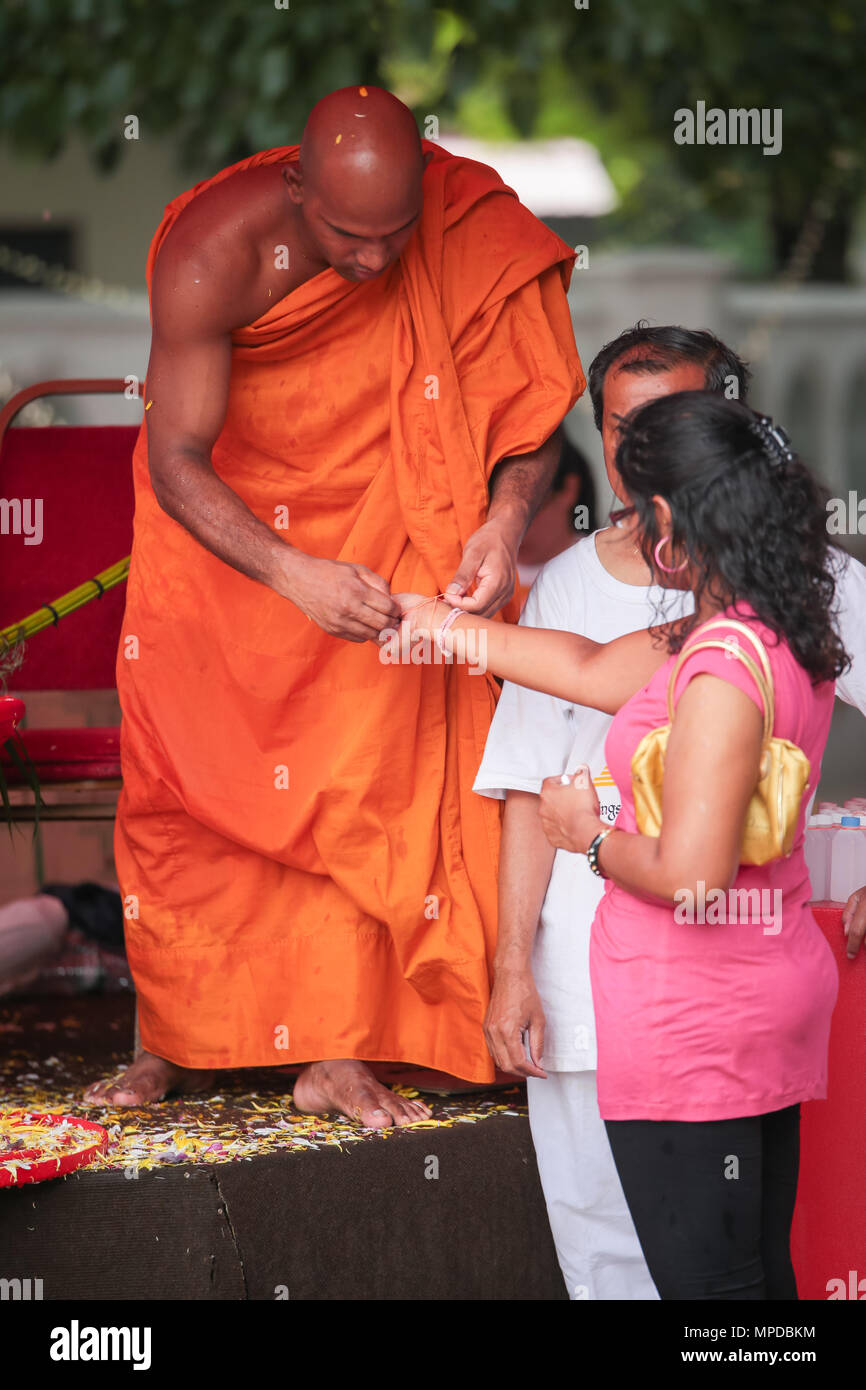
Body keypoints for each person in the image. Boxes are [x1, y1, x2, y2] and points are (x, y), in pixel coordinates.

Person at [83, 86, 584, 1124]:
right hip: (226, 553)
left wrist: (497, 525)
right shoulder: (210, 253)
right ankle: (185, 1037)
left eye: (392, 235)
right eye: (348, 237)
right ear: (296, 186)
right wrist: (289, 573)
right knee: (193, 782)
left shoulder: (459, 222)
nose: (371, 262)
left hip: (383, 542)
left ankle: (342, 1042)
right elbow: (175, 459)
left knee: (369, 775)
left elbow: (526, 409)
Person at [395, 388, 850, 1298]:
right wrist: (438, 625)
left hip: (696, 1018)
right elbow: (583, 668)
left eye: (641, 509)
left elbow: (692, 873)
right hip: (761, 994)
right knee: (755, 1280)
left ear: (674, 521)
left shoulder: (720, 666)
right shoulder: (773, 627)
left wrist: (587, 839)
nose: (632, 529)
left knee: (711, 1296)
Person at [515, 435, 596, 604]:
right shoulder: (472, 572)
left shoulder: (600, 570)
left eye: (526, 509)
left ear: (569, 489)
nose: (513, 525)